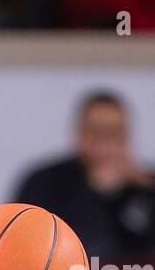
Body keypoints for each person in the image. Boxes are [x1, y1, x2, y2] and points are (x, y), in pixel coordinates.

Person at [12, 92, 155, 261]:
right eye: (96, 131)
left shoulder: (147, 188)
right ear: (79, 133)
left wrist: (115, 193)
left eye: (114, 132)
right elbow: (18, 243)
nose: (105, 141)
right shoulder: (44, 183)